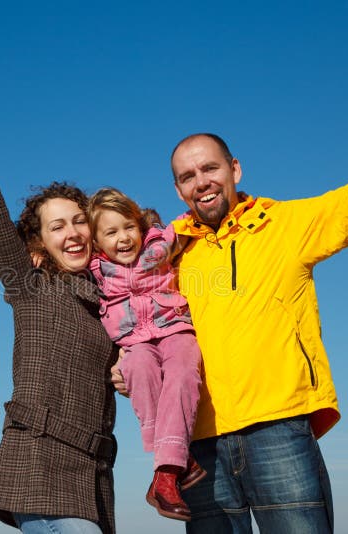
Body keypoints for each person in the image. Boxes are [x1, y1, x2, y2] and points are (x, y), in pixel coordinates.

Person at [112, 34, 348, 533]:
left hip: (279, 430)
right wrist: (127, 367)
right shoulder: (168, 251)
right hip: (200, 446)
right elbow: (128, 307)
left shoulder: (284, 224)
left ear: (234, 169)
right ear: (177, 188)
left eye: (210, 168)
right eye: (187, 175)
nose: (201, 181)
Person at [0, 94, 118, 534]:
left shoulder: (108, 304)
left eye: (78, 221)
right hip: (39, 467)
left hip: (94, 480)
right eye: (57, 226)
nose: (72, 233)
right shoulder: (30, 286)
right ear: (39, 245)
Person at [87, 188, 205, 521]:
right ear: (96, 240)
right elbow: (57, 262)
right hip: (134, 342)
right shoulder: (95, 269)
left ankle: (165, 474)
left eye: (128, 227)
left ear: (141, 227)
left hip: (174, 329)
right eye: (111, 232)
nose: (123, 238)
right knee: (137, 368)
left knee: (183, 372)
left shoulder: (157, 249)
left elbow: (186, 224)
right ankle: (178, 460)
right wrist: (38, 252)